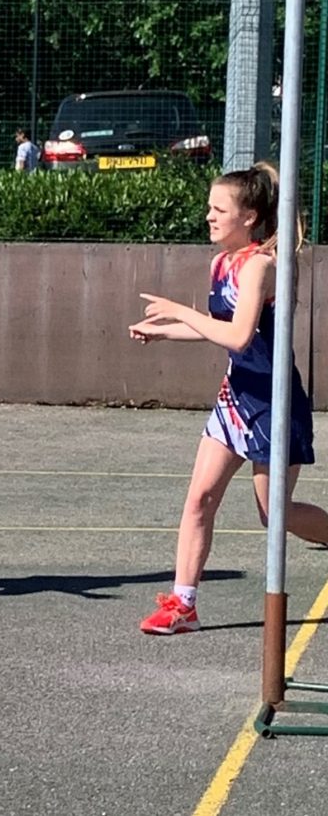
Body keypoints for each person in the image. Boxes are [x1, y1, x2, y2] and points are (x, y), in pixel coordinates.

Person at [129, 161, 328, 634]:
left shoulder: (261, 265)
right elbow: (219, 332)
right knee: (199, 498)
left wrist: (180, 311)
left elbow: (239, 337)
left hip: (273, 402)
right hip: (235, 397)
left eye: (219, 209)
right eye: (209, 208)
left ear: (250, 218)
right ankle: (184, 604)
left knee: (273, 514)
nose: (209, 217)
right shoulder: (222, 263)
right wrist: (166, 332)